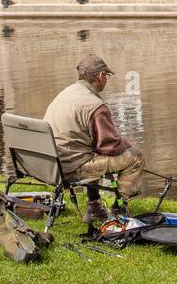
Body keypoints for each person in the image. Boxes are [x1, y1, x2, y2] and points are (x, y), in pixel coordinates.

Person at [43, 55, 144, 223]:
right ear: (99, 76)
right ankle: (119, 210)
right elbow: (109, 147)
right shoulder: (95, 105)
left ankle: (95, 206)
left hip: (50, 164)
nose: (106, 79)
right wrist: (126, 144)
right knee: (135, 157)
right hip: (71, 169)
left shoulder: (66, 93)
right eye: (107, 75)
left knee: (90, 150)